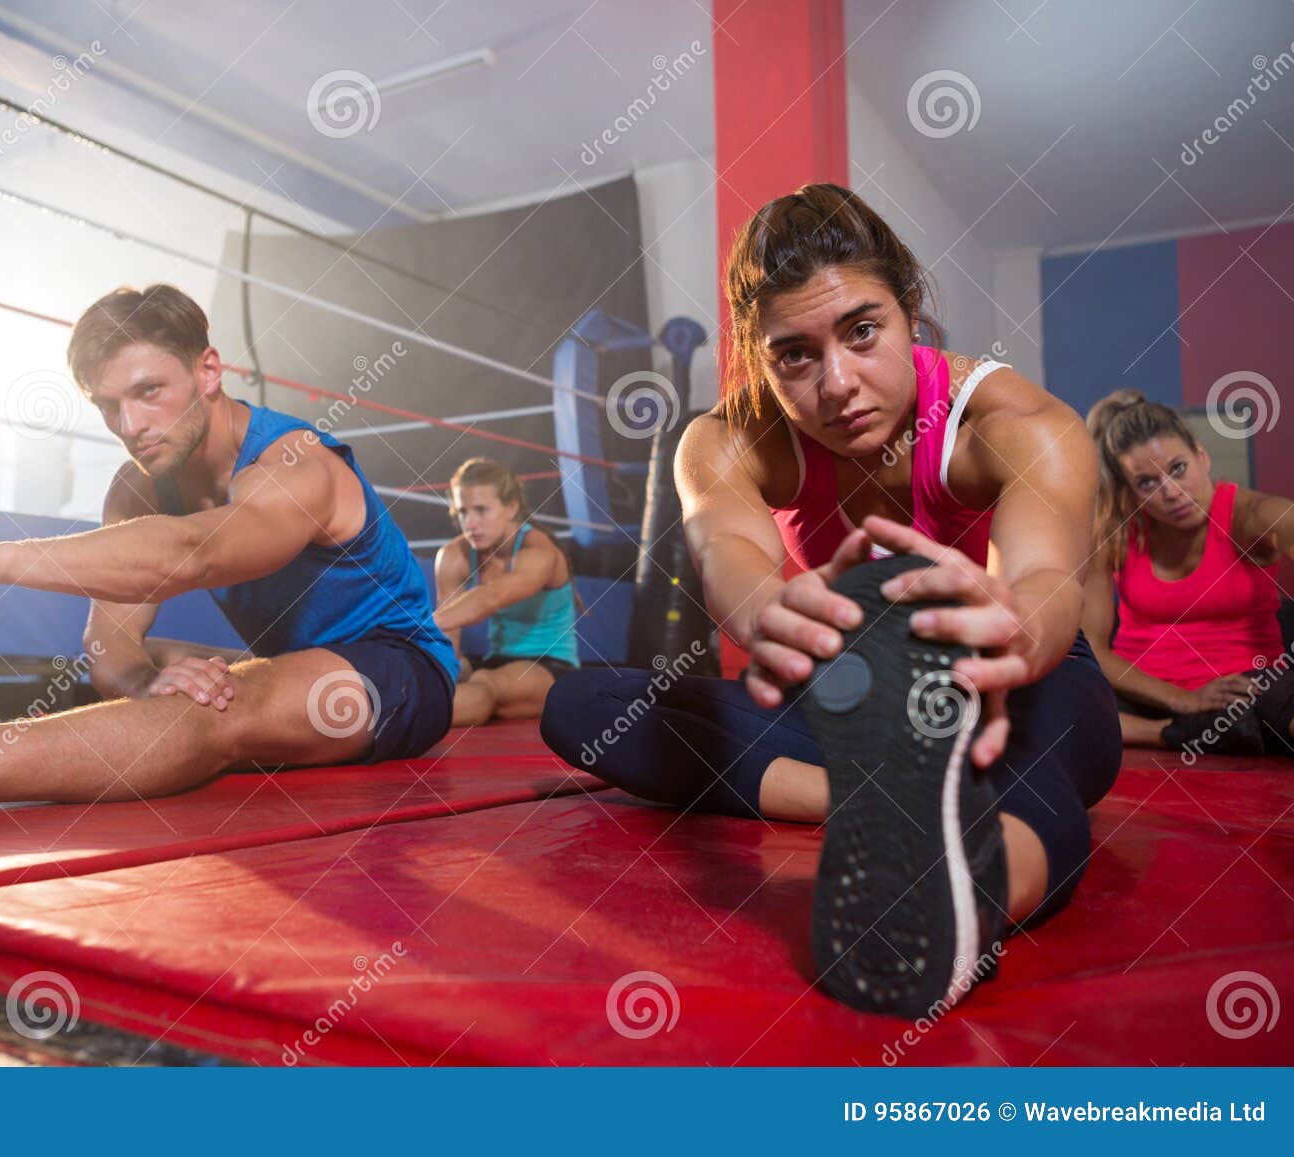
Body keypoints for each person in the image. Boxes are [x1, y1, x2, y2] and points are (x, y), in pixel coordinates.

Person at [540, 183, 1122, 1018]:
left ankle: (966, 890)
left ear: (909, 312)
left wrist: (1013, 628)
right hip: (854, 704)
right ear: (759, 354)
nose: (839, 383)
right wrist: (766, 613)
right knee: (587, 703)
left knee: (1040, 745)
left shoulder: (1014, 420)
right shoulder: (725, 441)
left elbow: (1045, 582)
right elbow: (731, 552)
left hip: (1012, 686)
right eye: (795, 355)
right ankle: (888, 796)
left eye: (861, 332)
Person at [0, 284, 457, 832]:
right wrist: (143, 682)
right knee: (171, 663)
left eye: (148, 392)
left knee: (221, 707)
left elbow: (197, 553)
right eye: (108, 406)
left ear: (208, 371)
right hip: (296, 663)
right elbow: (108, 635)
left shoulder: (293, 462)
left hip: (399, 666)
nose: (130, 425)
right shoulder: (138, 485)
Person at [1081, 390, 1294, 758]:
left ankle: (1207, 729)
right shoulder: (1116, 533)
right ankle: (1165, 733)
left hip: (1248, 689)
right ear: (1130, 493)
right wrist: (1181, 700)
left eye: (1178, 468)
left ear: (1201, 455)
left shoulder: (1252, 516)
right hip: (1143, 697)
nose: (1172, 492)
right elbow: (1093, 649)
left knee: (1268, 703)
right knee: (1055, 705)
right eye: (1147, 483)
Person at [433, 458, 580, 726]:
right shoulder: (454, 555)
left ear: (511, 507)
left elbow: (490, 598)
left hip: (550, 668)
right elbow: (447, 639)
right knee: (446, 671)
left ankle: (395, 724)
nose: (471, 524)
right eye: (463, 512)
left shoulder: (538, 551)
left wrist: (422, 625)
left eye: (481, 510)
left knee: (485, 683)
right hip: (496, 661)